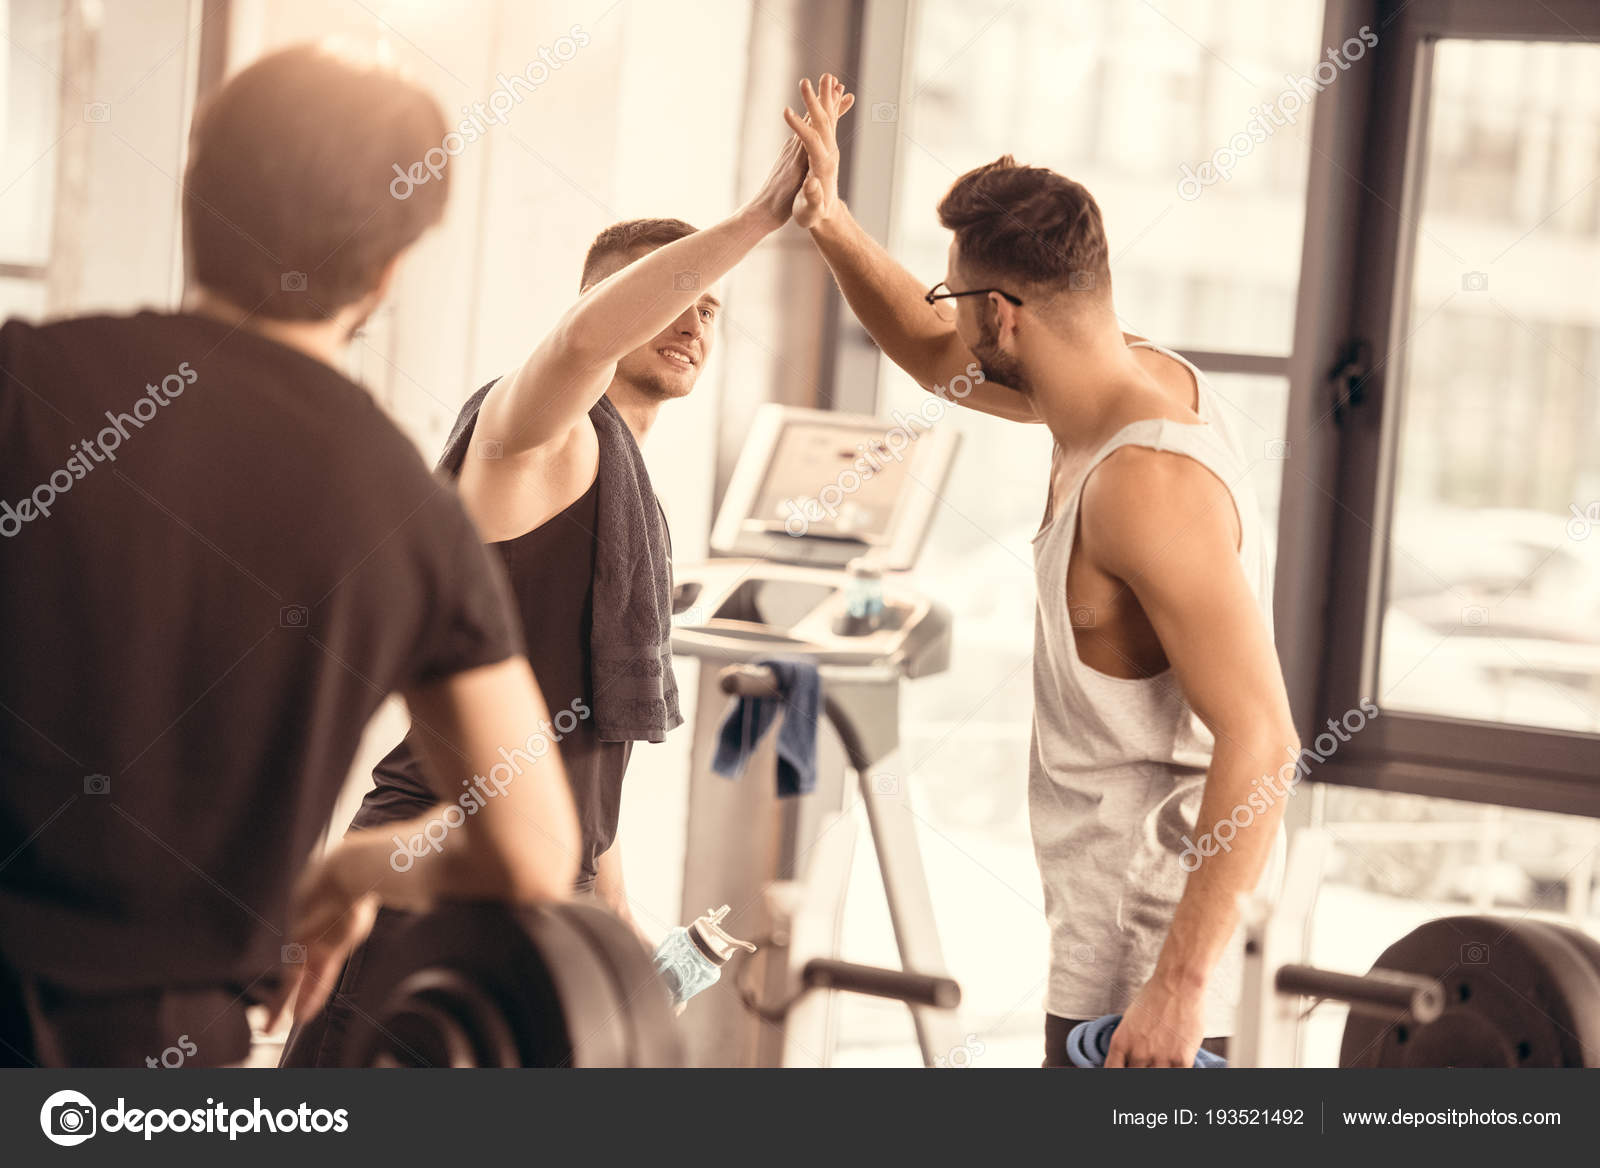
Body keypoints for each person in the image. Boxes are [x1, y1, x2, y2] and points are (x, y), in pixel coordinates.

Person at [0, 45, 580, 1068]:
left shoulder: (23, 383)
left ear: (194, 194)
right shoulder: (409, 510)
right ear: (395, 264)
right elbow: (533, 847)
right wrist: (353, 870)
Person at [279, 100, 842, 1067]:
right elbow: (579, 350)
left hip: (546, 866)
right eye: (673, 295)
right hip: (432, 856)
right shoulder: (530, 433)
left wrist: (609, 895)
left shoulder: (634, 500)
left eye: (711, 308)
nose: (695, 319)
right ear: (598, 307)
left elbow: (591, 727)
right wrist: (756, 222)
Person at [785, 76, 1298, 1067]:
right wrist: (828, 218)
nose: (955, 321)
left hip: (1147, 966)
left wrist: (1175, 991)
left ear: (1004, 314)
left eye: (958, 299)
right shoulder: (1126, 379)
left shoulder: (1144, 486)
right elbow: (937, 355)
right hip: (1115, 946)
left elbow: (1264, 740)